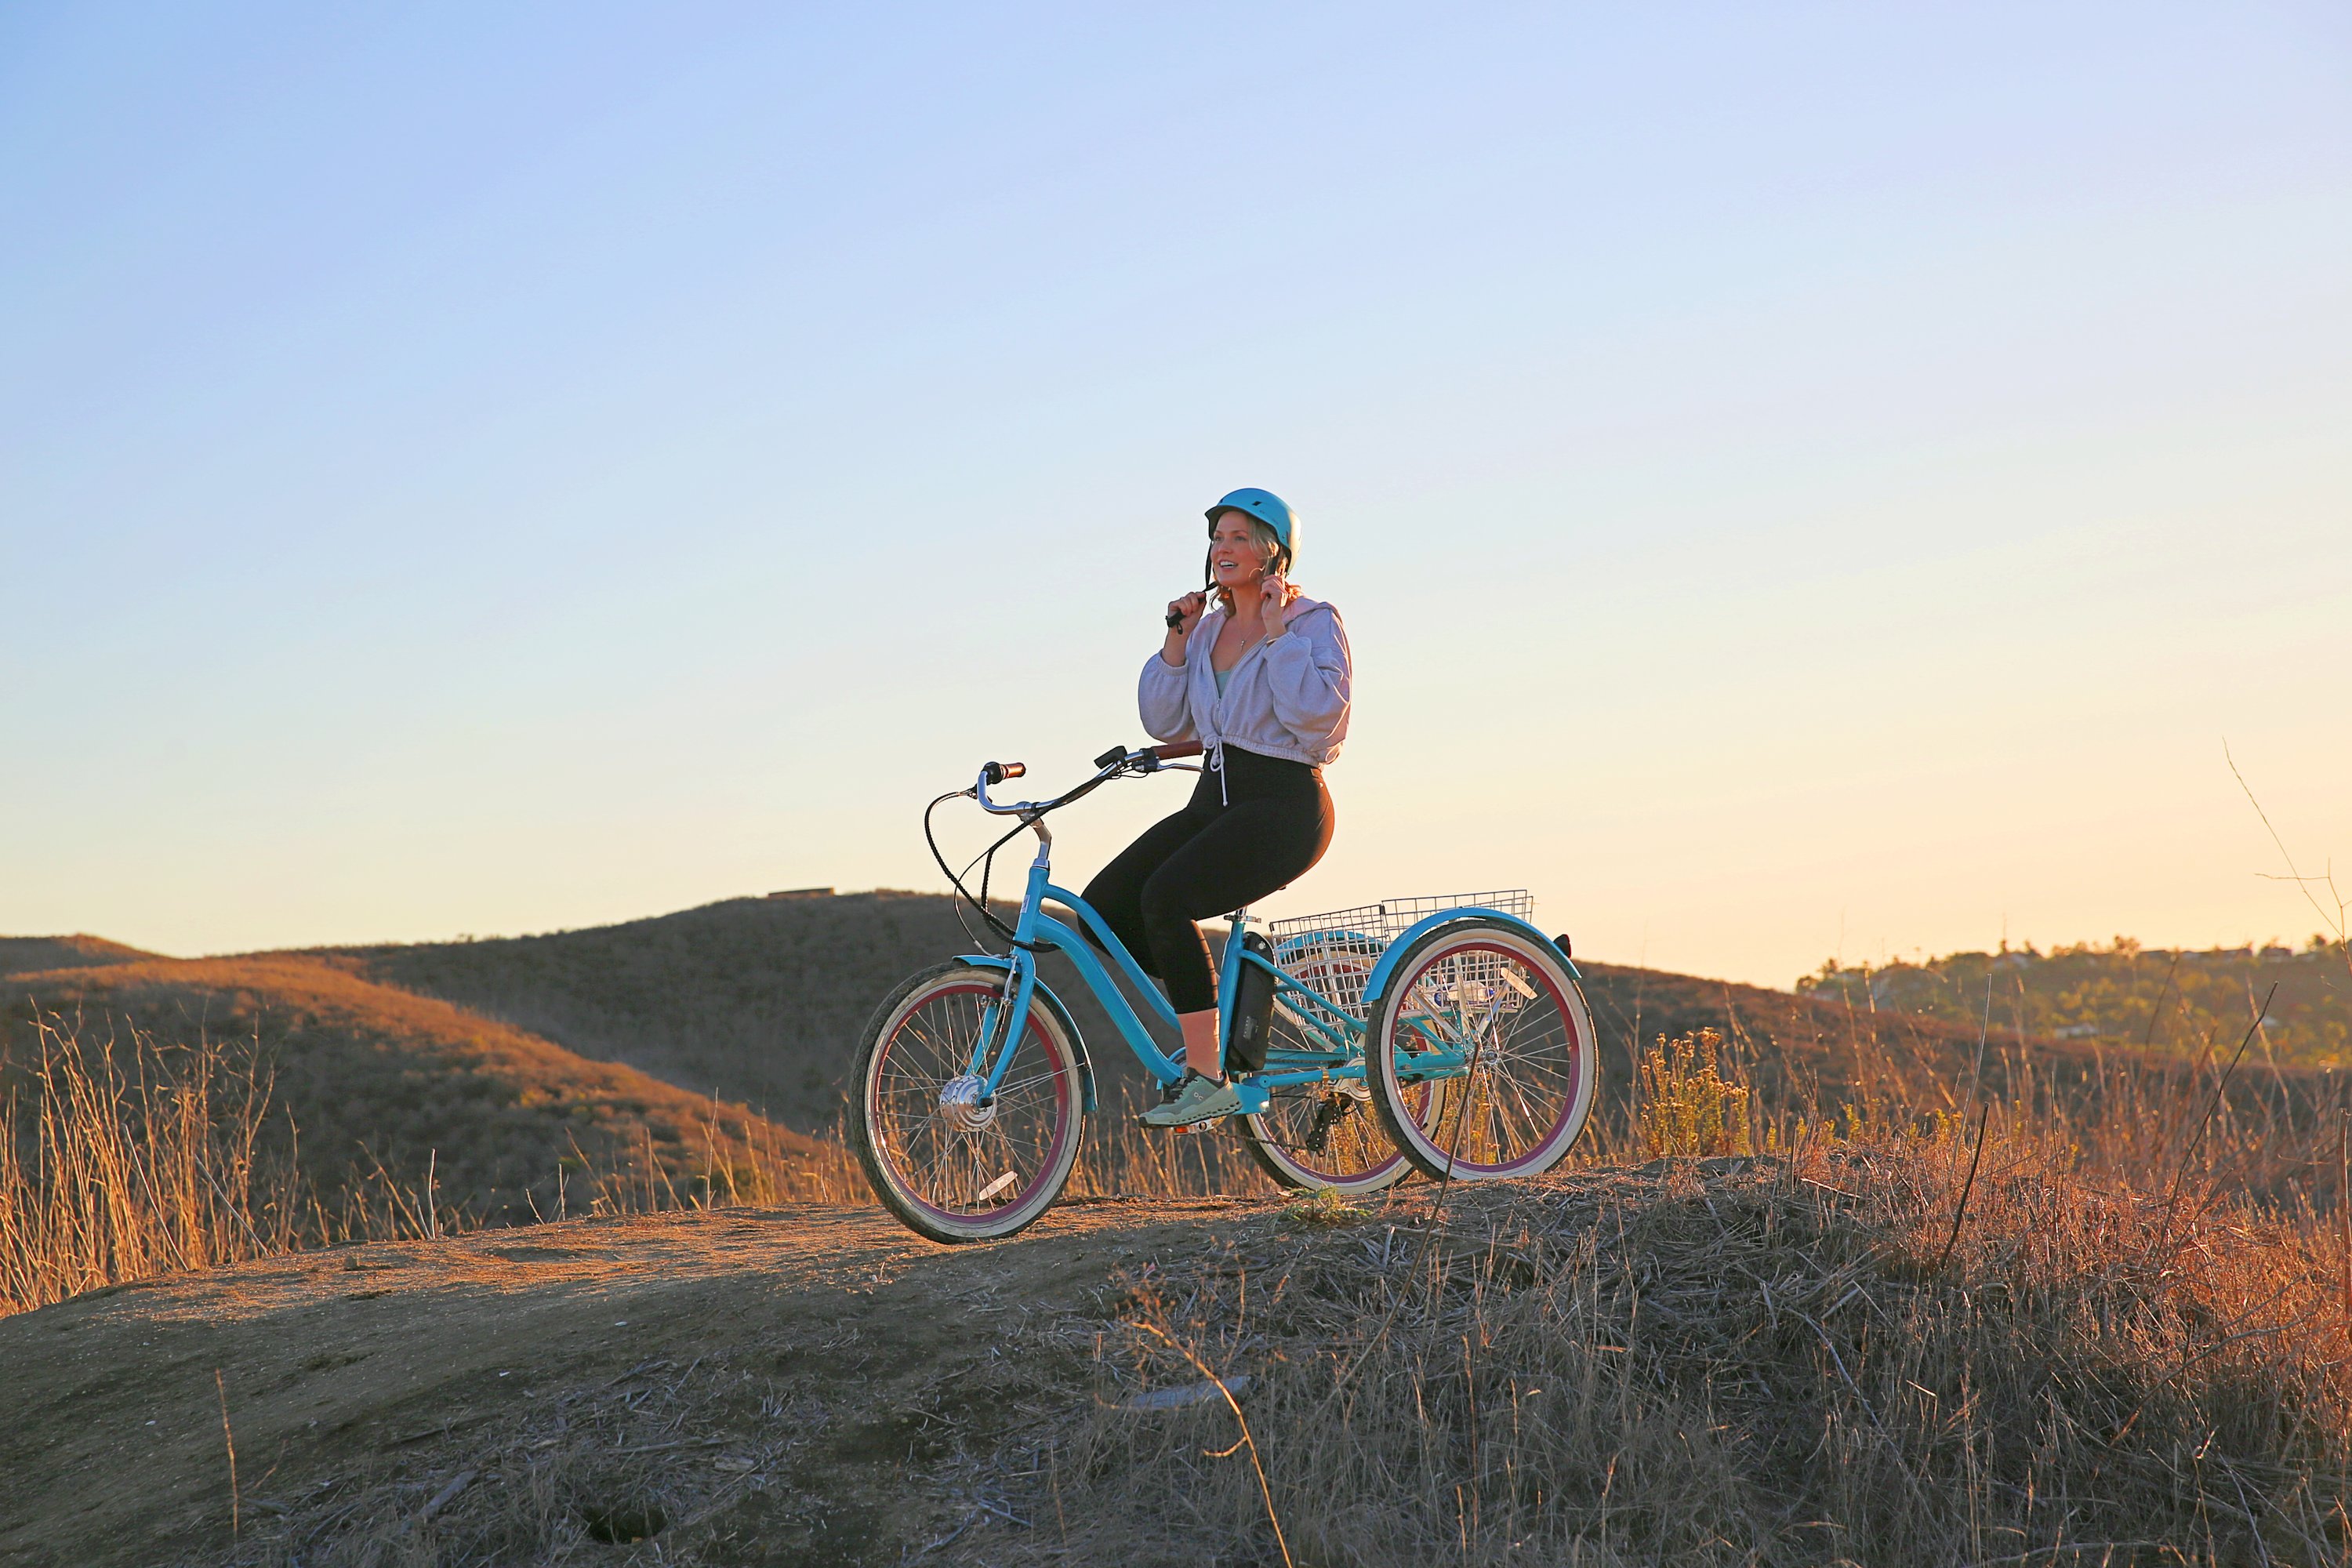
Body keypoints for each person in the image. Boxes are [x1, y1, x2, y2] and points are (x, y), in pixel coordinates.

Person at [1078, 488, 1352, 1128]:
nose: (1223, 549)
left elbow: (1320, 721)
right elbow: (1162, 716)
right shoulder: (1206, 630)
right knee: (1100, 914)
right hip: (1215, 796)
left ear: (1272, 553)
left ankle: (1207, 1075)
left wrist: (1279, 633)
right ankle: (1214, 1015)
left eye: (1239, 538)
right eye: (1217, 538)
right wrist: (1175, 640)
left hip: (1284, 804)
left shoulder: (1313, 620)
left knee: (1166, 898)